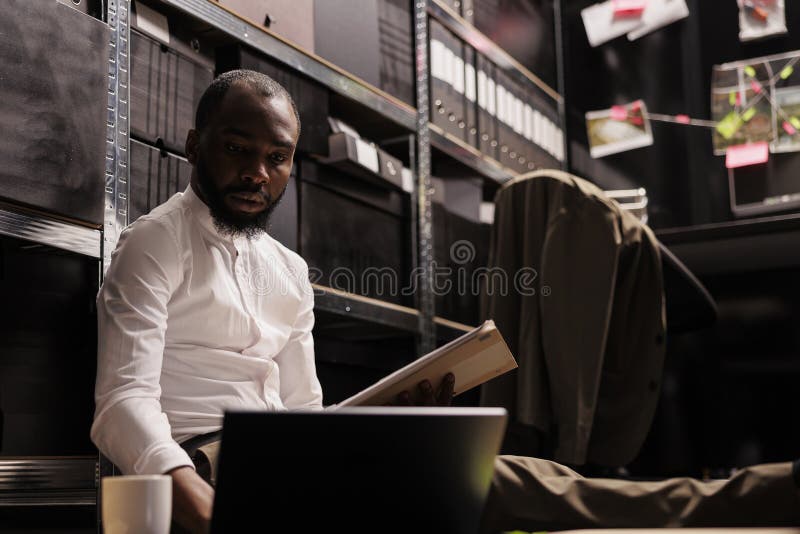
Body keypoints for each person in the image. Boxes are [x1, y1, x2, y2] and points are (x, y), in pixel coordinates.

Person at [91, 69, 800, 534]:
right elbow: (121, 401)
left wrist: (382, 414)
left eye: (275, 158)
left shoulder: (288, 269)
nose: (256, 173)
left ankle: (756, 498)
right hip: (202, 465)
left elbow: (304, 416)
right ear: (194, 145)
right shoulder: (154, 243)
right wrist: (186, 490)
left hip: (288, 461)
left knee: (501, 474)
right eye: (236, 150)